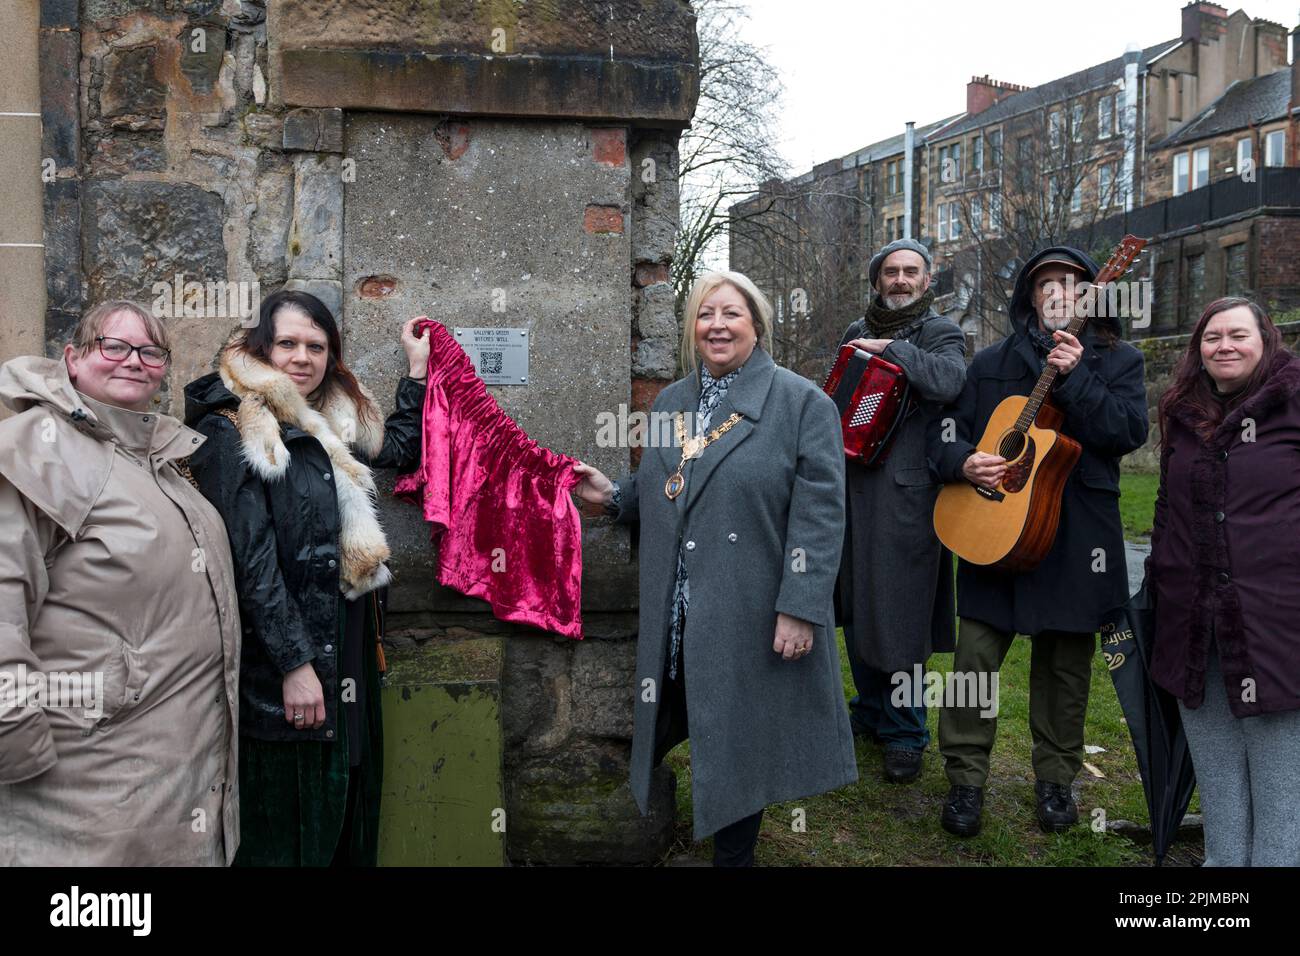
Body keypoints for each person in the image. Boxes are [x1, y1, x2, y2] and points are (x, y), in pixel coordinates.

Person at [573, 270, 857, 866]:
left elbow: (821, 518)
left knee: (739, 736)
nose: (717, 326)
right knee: (708, 724)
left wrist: (800, 608)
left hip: (750, 605)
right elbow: (670, 485)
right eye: (705, 315)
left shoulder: (802, 404)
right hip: (681, 607)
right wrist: (617, 497)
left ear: (757, 323)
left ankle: (734, 857)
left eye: (731, 314)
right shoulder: (673, 402)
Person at [183, 290, 426, 866]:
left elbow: (395, 448)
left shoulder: (335, 416)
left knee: (349, 800)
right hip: (285, 650)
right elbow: (250, 561)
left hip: (347, 634)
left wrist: (415, 371)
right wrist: (295, 665)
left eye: (316, 346)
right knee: (292, 819)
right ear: (260, 347)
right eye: (287, 343)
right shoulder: (232, 424)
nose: (302, 357)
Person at [0, 300, 241, 865]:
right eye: (114, 346)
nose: (134, 360)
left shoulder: (159, 461)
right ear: (73, 359)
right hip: (79, 782)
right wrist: (14, 744)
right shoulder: (35, 450)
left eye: (151, 351)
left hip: (172, 773)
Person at [928, 246, 1147, 837]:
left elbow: (1125, 431)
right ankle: (965, 781)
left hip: (1078, 536)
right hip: (994, 526)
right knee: (974, 658)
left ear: (1092, 296)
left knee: (1066, 666)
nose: (1059, 293)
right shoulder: (991, 362)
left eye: (1073, 284)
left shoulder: (1119, 360)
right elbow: (945, 430)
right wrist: (961, 461)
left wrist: (1076, 379)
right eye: (1046, 283)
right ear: (1030, 296)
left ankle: (1055, 780)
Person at [1149, 296, 1300, 866]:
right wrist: (1163, 578)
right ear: (1199, 349)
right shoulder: (1183, 412)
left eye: (1238, 335)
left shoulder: (1293, 402)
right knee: (1219, 785)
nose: (1225, 346)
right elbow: (1166, 507)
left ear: (1265, 341)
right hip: (1193, 626)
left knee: (1281, 787)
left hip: (1277, 627)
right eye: (1212, 337)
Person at [834, 238, 966, 783]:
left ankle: (907, 730)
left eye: (912, 271)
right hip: (851, 487)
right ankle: (871, 710)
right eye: (891, 272)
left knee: (902, 614)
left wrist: (894, 352)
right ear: (877, 279)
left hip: (907, 495)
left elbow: (951, 381)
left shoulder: (942, 332)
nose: (901, 280)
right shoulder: (852, 331)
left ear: (927, 280)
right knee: (859, 601)